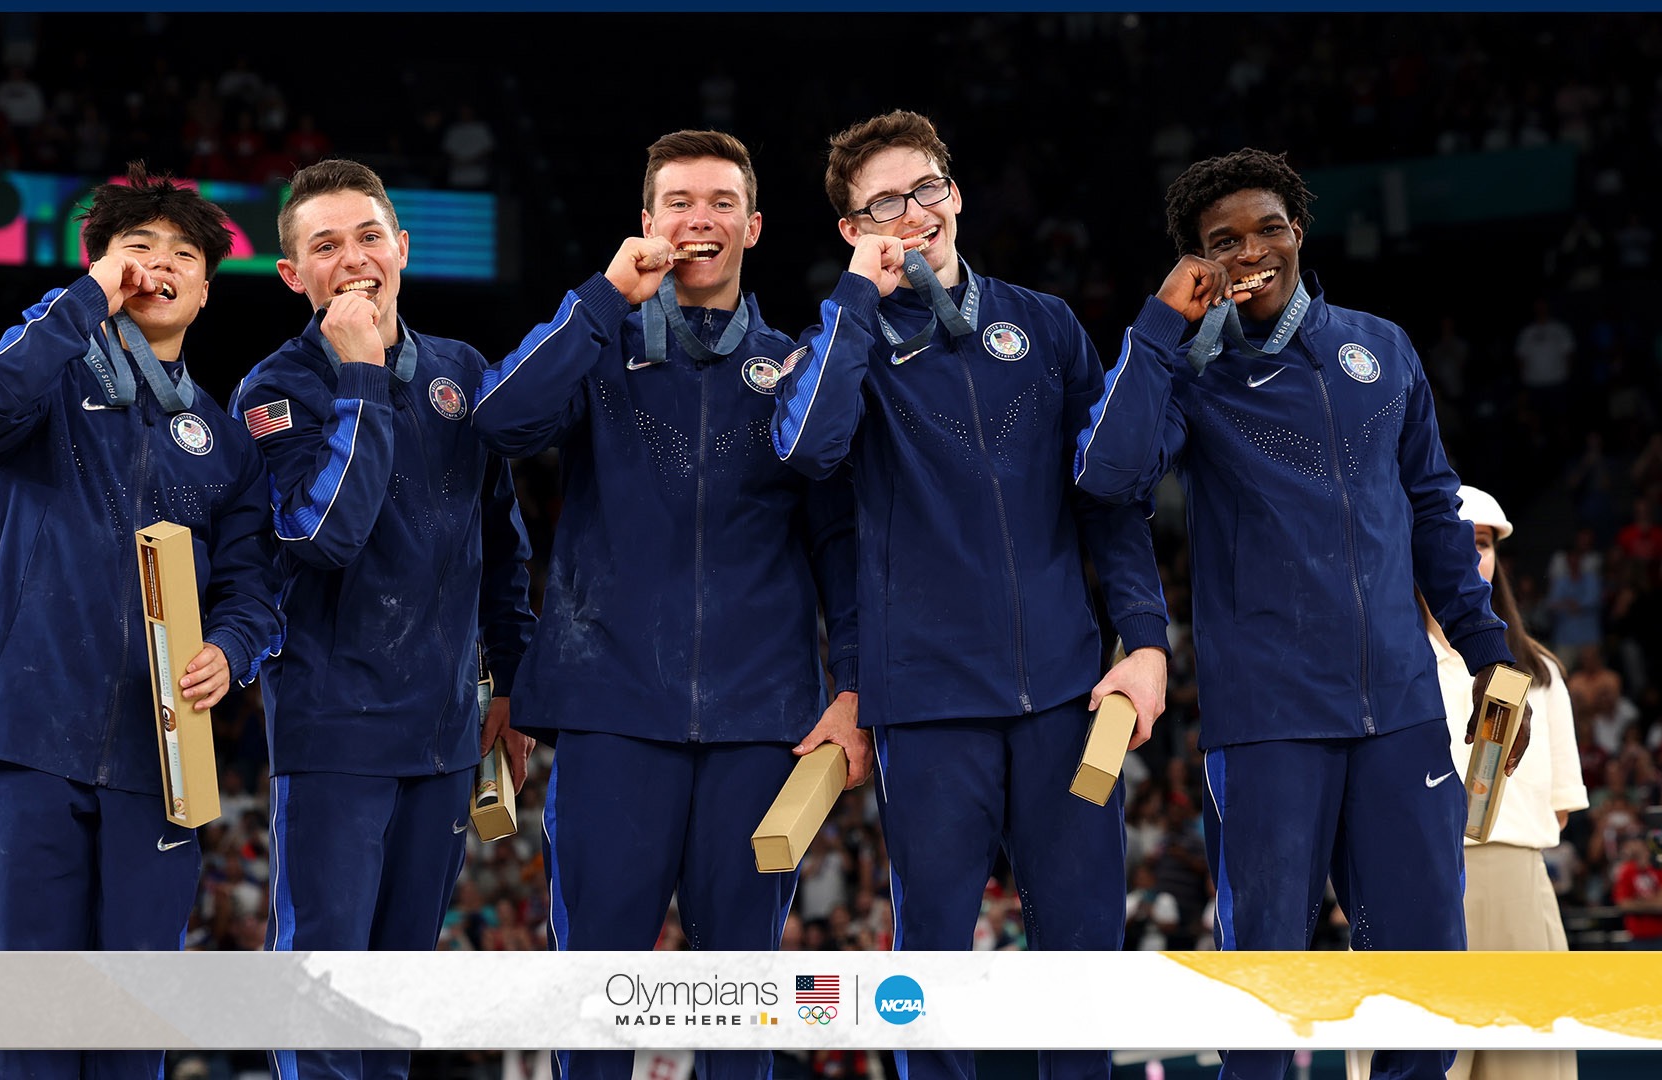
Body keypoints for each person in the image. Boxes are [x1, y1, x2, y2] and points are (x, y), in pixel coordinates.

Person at [1072, 147, 1527, 1080]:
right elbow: (1107, 477)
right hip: (1269, 720)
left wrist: (1488, 650)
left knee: (1426, 987)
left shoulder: (1380, 347)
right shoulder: (1192, 376)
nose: (1252, 251)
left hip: (1399, 711)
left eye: (1267, 228)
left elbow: (1434, 508)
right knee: (1267, 987)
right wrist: (1163, 328)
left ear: (1299, 230)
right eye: (1222, 241)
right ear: (1198, 261)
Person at [772, 109, 1168, 1080]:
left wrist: (1146, 637)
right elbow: (810, 450)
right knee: (930, 980)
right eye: (885, 204)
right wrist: (855, 306)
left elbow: (1108, 501)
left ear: (955, 189)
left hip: (1065, 697)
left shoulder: (1044, 325)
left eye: (929, 188)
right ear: (852, 230)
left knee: (1081, 972)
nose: (917, 214)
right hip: (928, 705)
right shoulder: (841, 348)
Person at [472, 129, 860, 1080]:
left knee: (741, 1010)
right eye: (679, 202)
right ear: (647, 224)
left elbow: (843, 549)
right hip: (610, 720)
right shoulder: (597, 349)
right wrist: (604, 298)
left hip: (763, 727)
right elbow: (501, 420)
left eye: (722, 202)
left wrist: (852, 692)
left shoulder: (800, 369)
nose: (700, 220)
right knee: (595, 1002)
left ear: (754, 226)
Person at [0, 163, 281, 1080]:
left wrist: (231, 648)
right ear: (100, 266)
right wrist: (83, 302)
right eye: (136, 249)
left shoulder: (227, 444)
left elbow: (256, 586)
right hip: (32, 732)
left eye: (182, 255)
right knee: (33, 1011)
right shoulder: (42, 389)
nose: (158, 265)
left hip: (162, 754)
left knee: (134, 1020)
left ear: (207, 291)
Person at [232, 158, 535, 1080]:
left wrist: (515, 682)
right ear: (293, 276)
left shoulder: (462, 373)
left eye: (369, 236)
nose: (354, 259)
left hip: (443, 737)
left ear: (402, 248)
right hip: (334, 735)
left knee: (396, 1002)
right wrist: (361, 376)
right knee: (325, 991)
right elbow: (326, 534)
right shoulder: (272, 393)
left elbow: (503, 544)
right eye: (326, 245)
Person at [1349, 485, 1587, 1080]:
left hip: (1516, 887)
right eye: (1457, 542)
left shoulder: (1542, 674)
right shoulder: (1374, 662)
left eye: (1481, 544)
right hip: (1406, 885)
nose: (1470, 556)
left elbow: (1560, 810)